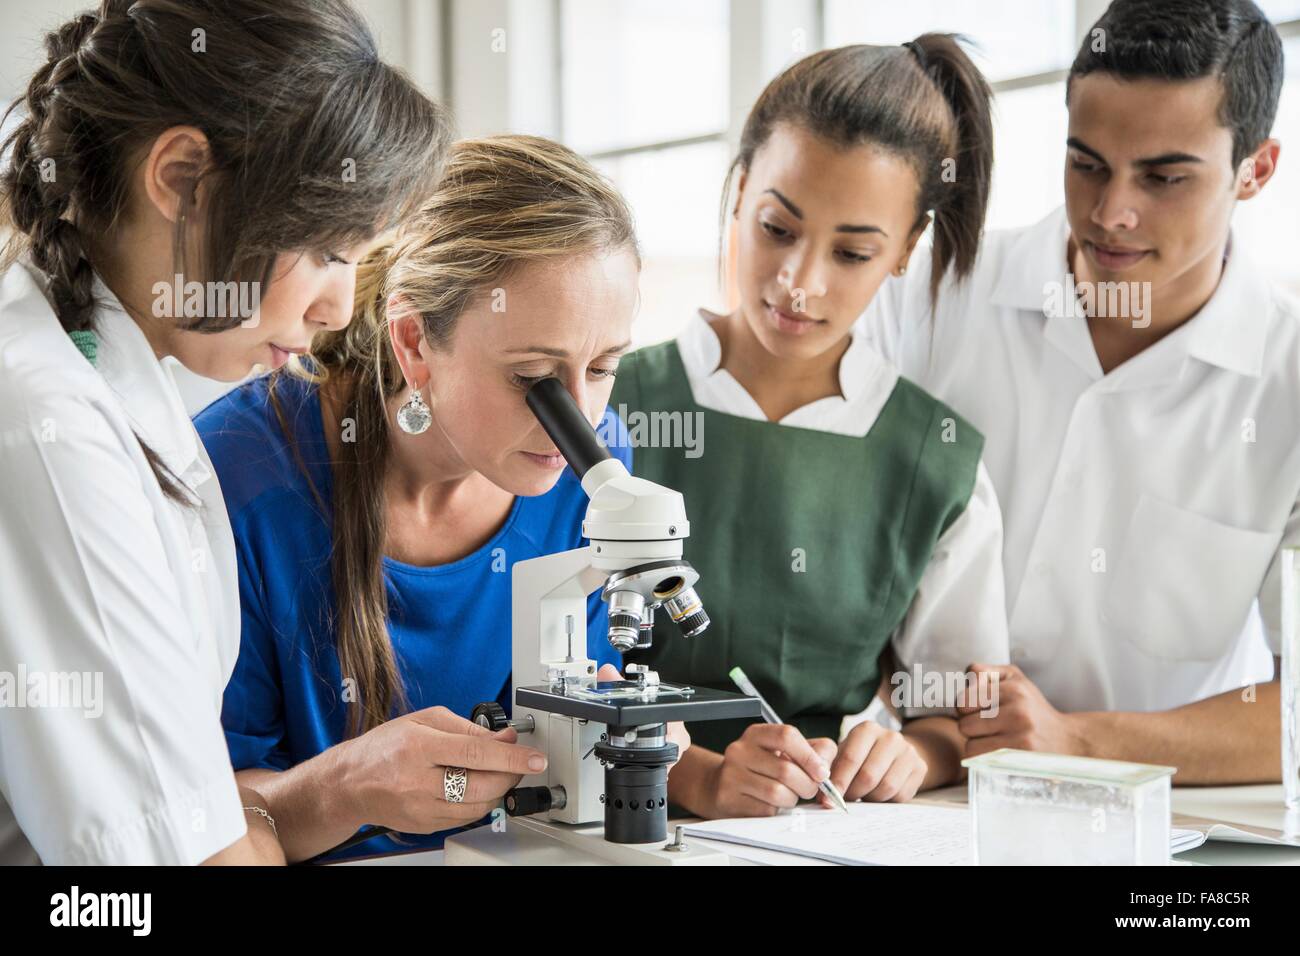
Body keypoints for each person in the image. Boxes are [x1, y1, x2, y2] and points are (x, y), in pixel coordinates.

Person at [0, 0, 447, 864]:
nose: (337, 307)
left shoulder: (107, 376)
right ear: (181, 178)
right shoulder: (46, 419)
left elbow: (195, 805)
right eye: (325, 249)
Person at [196, 135, 687, 862]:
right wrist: (346, 787)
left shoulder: (596, 464)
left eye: (605, 366)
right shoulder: (238, 478)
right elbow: (191, 817)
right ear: (415, 343)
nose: (580, 419)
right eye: (535, 379)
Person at [863, 0, 1293, 782]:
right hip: (912, 793)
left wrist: (1078, 741)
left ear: (1256, 170)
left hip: (1163, 823)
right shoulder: (923, 294)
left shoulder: (1289, 377)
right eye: (1087, 163)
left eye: (1164, 177)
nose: (1110, 213)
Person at [611, 37, 1010, 819]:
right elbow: (529, 672)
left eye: (854, 251)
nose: (801, 283)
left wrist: (910, 754)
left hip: (817, 831)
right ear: (738, 195)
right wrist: (689, 768)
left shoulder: (935, 462)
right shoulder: (606, 402)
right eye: (777, 229)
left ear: (904, 253)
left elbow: (954, 719)